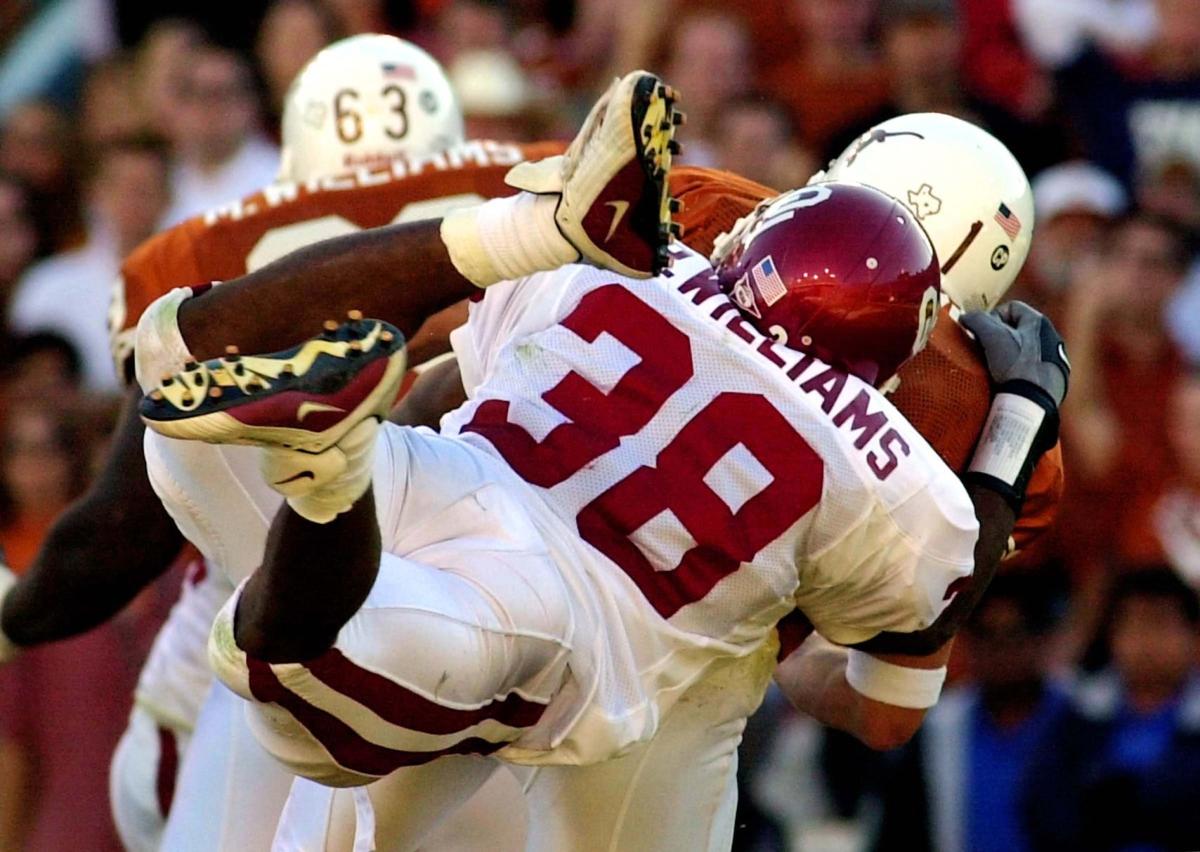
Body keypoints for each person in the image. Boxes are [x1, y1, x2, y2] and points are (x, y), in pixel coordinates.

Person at [132, 71, 1065, 849]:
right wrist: (1013, 429)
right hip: (636, 660)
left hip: (457, 481)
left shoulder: (682, 229)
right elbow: (889, 704)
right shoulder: (943, 442)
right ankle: (329, 479)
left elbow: (446, 367)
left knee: (182, 445)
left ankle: (329, 465)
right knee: (321, 692)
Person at [873, 575, 1068, 852]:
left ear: (1041, 640)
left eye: (1013, 636)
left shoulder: (1080, 722)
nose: (1001, 653)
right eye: (988, 637)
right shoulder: (936, 732)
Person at [1023, 567, 1200, 851]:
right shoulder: (1074, 713)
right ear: (1111, 635)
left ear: (1193, 634)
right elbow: (1045, 810)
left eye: (1160, 624)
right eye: (1133, 625)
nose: (1146, 642)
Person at [9, 135, 171, 391]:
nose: (132, 203)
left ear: (167, 198)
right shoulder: (47, 284)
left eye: (145, 190)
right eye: (122, 188)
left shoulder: (194, 284)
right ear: (96, 194)